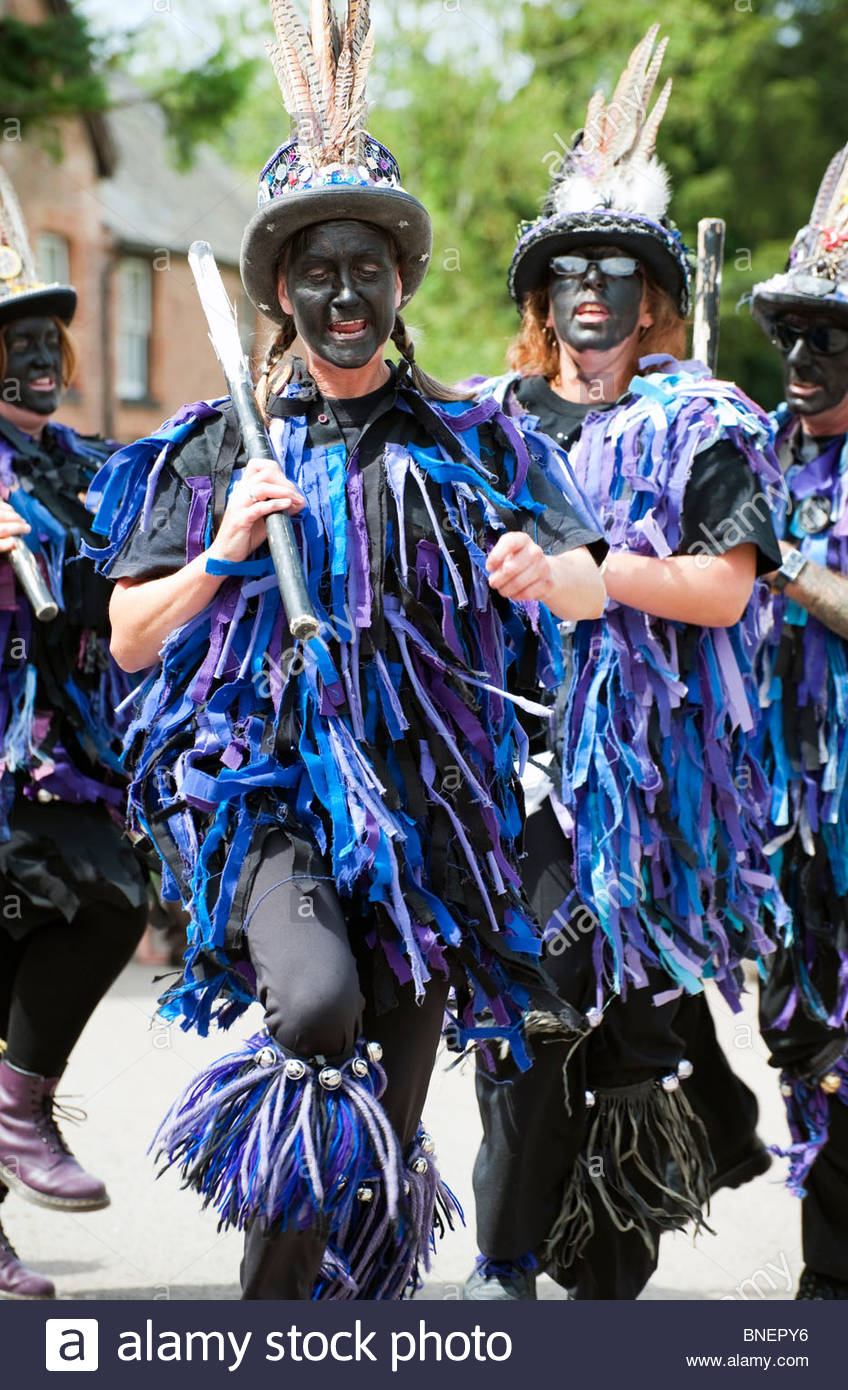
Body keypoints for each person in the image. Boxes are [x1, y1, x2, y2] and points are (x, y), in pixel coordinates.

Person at [88, 0, 606, 1302]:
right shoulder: (224, 445)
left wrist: (553, 575)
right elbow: (128, 633)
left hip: (436, 828)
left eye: (364, 265)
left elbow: (595, 587)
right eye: (313, 267)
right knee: (316, 1011)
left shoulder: (480, 443)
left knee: (375, 1125)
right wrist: (218, 554)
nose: (339, 290)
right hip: (279, 807)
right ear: (276, 289)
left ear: (400, 281)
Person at [463, 27, 785, 1301]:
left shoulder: (705, 422)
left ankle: (601, 1284)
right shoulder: (491, 424)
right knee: (535, 1006)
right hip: (520, 776)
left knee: (626, 1049)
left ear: (653, 297)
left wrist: (605, 581)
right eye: (567, 275)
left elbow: (726, 588)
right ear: (543, 305)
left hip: (656, 800)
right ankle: (503, 1264)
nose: (589, 292)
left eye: (614, 270)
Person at [0, 169, 148, 1299]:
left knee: (107, 899)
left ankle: (20, 1104)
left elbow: (127, 590)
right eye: (12, 338)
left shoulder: (93, 465)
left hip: (65, 768)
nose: (38, 351)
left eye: (48, 330)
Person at [742, 115, 848, 1300]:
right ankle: (832, 1284)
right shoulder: (760, 452)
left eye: (828, 335)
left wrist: (786, 567)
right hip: (786, 825)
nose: (801, 354)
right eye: (790, 332)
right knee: (804, 1041)